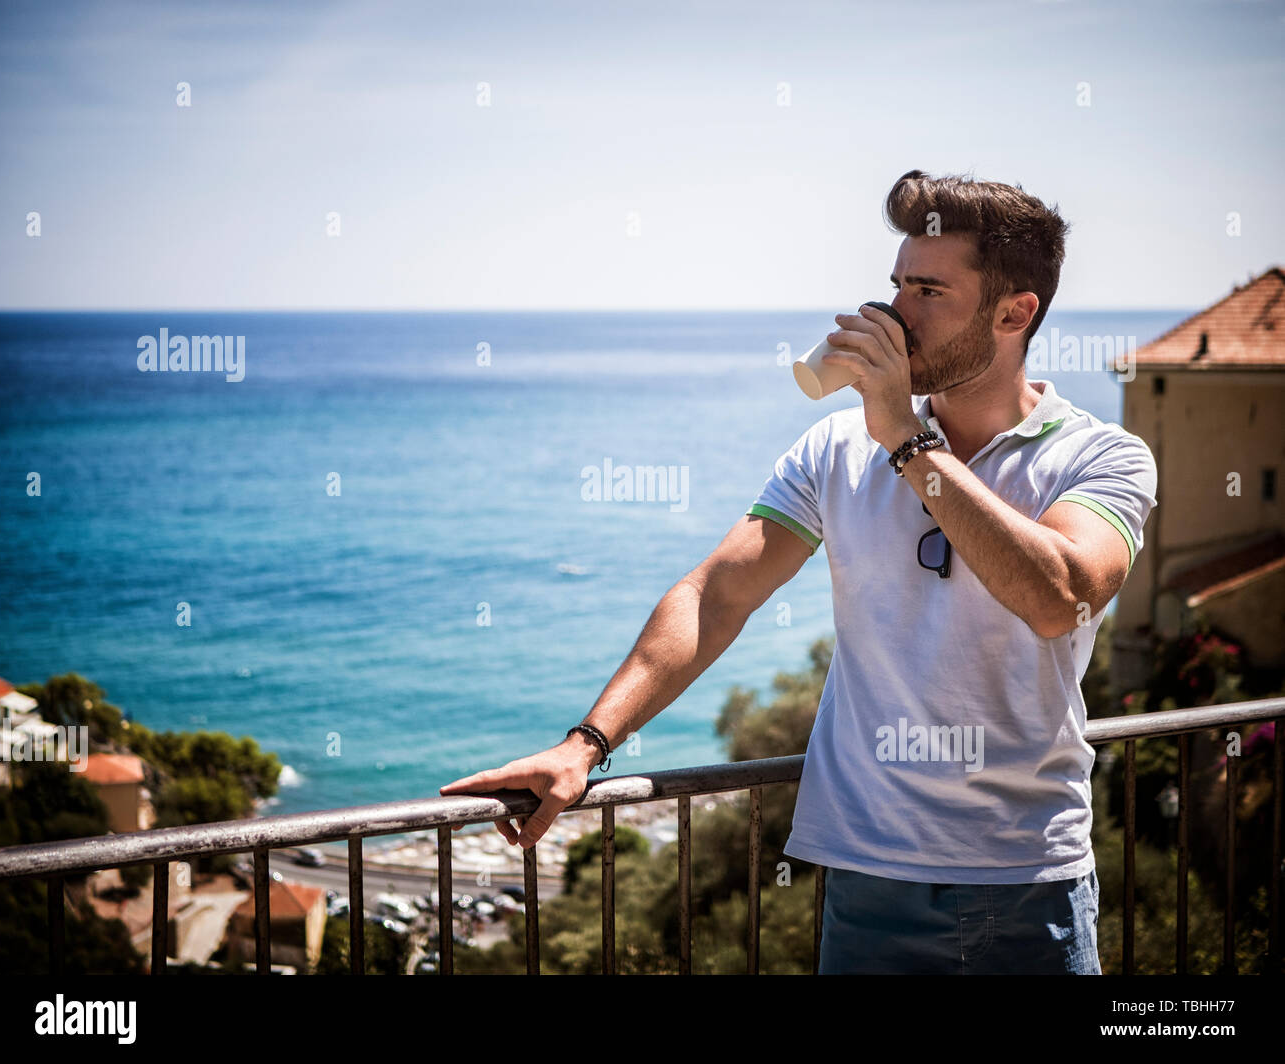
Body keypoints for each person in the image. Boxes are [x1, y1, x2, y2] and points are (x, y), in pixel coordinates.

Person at [441, 168, 1158, 975]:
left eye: (927, 291)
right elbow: (717, 594)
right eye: (895, 286)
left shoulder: (1100, 457)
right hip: (863, 879)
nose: (892, 314)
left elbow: (1059, 597)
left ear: (1014, 313)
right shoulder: (834, 450)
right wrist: (586, 743)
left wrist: (906, 441)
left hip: (1022, 883)